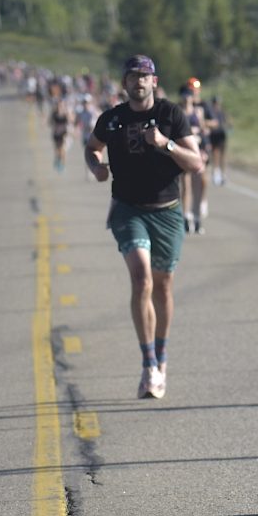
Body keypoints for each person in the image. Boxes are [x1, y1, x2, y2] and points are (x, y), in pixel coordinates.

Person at [85, 54, 204, 399]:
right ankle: (148, 363)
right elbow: (92, 148)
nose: (138, 81)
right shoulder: (112, 120)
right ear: (123, 83)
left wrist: (164, 144)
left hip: (166, 211)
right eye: (132, 76)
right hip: (127, 209)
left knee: (163, 288)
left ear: (154, 81)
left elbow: (196, 162)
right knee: (141, 279)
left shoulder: (171, 115)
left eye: (145, 76)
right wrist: (95, 167)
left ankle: (162, 357)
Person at [179, 78, 211, 232]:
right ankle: (186, 216)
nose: (187, 97)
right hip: (183, 153)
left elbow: (204, 131)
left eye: (190, 94)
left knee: (198, 183)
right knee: (185, 185)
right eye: (185, 94)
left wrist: (205, 149)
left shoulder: (198, 112)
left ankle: (197, 216)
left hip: (198, 151)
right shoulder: (178, 113)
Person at [203, 93, 230, 187]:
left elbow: (227, 122)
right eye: (215, 102)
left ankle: (223, 173)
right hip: (213, 135)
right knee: (215, 154)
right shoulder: (211, 112)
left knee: (223, 155)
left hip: (221, 135)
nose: (217, 104)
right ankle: (216, 173)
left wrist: (228, 126)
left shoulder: (222, 112)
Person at [49, 95, 74, 170]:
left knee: (62, 149)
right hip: (56, 133)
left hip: (64, 133)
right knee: (57, 149)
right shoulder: (54, 113)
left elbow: (71, 120)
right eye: (59, 105)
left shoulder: (66, 113)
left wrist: (68, 113)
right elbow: (50, 122)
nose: (60, 106)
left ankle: (62, 164)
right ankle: (57, 159)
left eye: (61, 105)